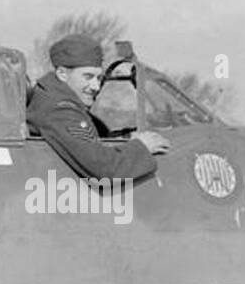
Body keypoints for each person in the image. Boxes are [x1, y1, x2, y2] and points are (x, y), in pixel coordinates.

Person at [26, 33, 169, 181]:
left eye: (99, 78)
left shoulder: (54, 100)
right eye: (87, 77)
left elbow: (84, 143)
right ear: (62, 74)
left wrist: (124, 139)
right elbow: (104, 168)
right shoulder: (60, 111)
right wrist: (142, 147)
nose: (95, 86)